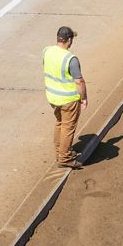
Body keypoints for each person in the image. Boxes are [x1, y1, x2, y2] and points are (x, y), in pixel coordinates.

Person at [43, 25, 87, 169]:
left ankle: (59, 152)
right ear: (69, 40)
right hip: (68, 99)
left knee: (59, 123)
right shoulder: (71, 59)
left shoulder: (47, 51)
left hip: (53, 97)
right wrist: (84, 98)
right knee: (68, 127)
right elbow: (79, 81)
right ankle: (65, 158)